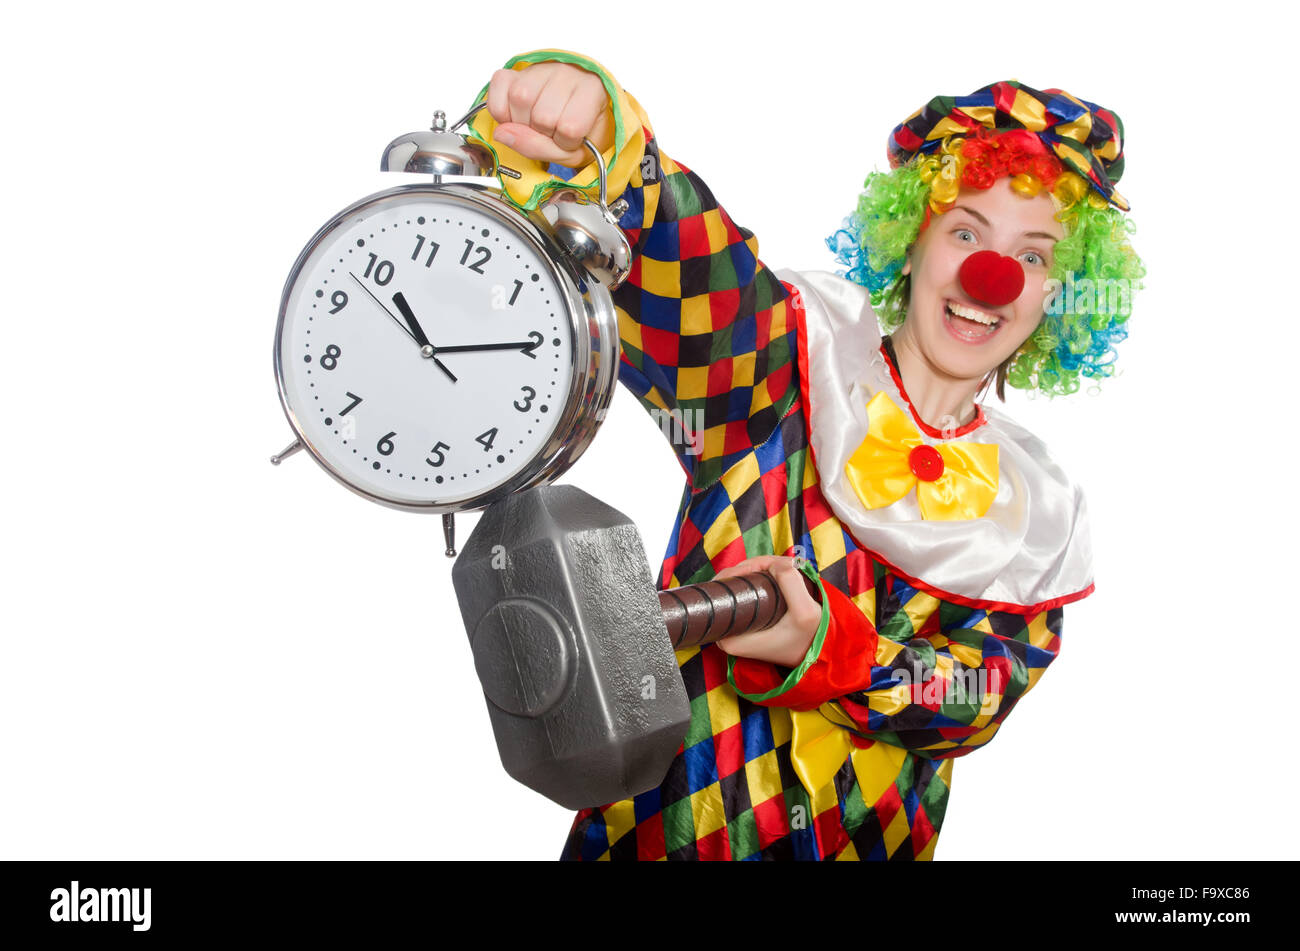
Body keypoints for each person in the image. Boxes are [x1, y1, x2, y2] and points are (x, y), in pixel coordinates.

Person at [471, 48, 1143, 860]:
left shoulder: (1034, 514)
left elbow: (976, 696)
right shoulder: (789, 368)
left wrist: (836, 655)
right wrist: (611, 155)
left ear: (1056, 293)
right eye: (965, 229)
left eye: (1033, 256)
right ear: (913, 241)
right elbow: (690, 279)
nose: (991, 274)